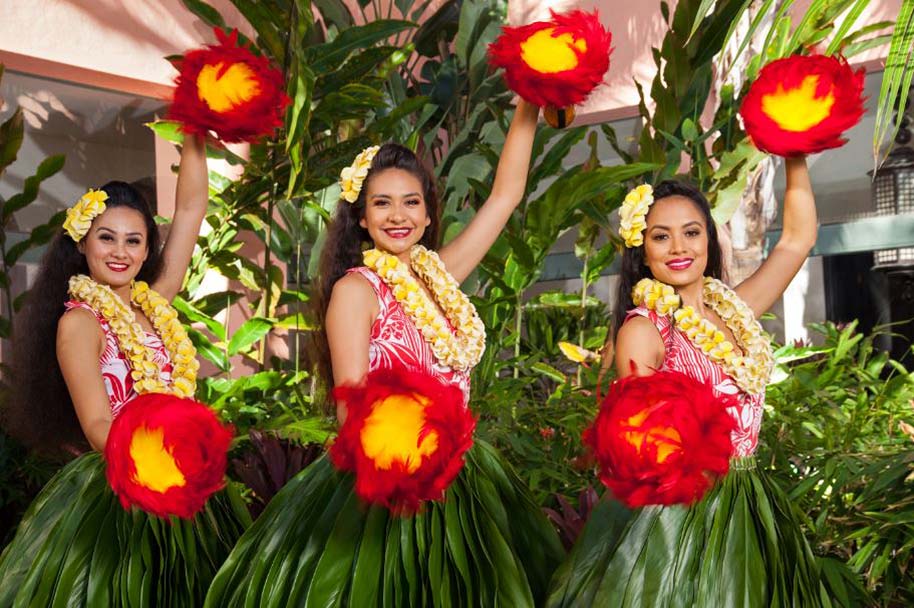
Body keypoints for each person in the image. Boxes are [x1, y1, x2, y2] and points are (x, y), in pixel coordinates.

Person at [205, 100, 565, 607]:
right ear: (361, 218)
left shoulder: (438, 279)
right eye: (382, 204)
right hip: (386, 479)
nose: (399, 216)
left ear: (428, 212)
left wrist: (529, 103)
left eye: (412, 202)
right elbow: (349, 403)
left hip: (458, 479)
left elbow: (505, 197)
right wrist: (400, 467)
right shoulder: (357, 290)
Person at [547, 160, 844, 607]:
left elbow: (797, 240)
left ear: (709, 238)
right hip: (682, 518)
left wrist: (795, 153)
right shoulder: (644, 330)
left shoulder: (735, 313)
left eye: (691, 232)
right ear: (642, 251)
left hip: (750, 498)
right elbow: (642, 447)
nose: (677, 247)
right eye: (660, 236)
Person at [0, 135, 249, 607]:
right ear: (84, 243)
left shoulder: (154, 302)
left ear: (147, 248)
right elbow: (97, 425)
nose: (121, 251)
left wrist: (194, 136)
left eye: (133, 240)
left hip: (181, 477)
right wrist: (154, 467)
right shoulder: (79, 322)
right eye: (106, 237)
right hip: (121, 488)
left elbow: (193, 209)